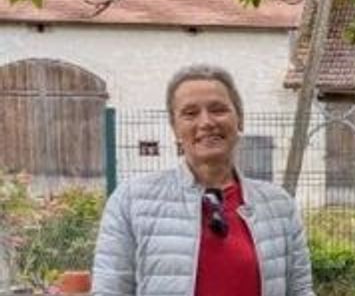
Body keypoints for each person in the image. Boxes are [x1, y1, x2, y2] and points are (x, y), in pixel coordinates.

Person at [92, 64, 314, 296]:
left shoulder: (279, 205)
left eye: (218, 109)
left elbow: (300, 290)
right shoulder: (131, 201)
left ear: (240, 120)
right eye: (190, 113)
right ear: (175, 129)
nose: (206, 122)